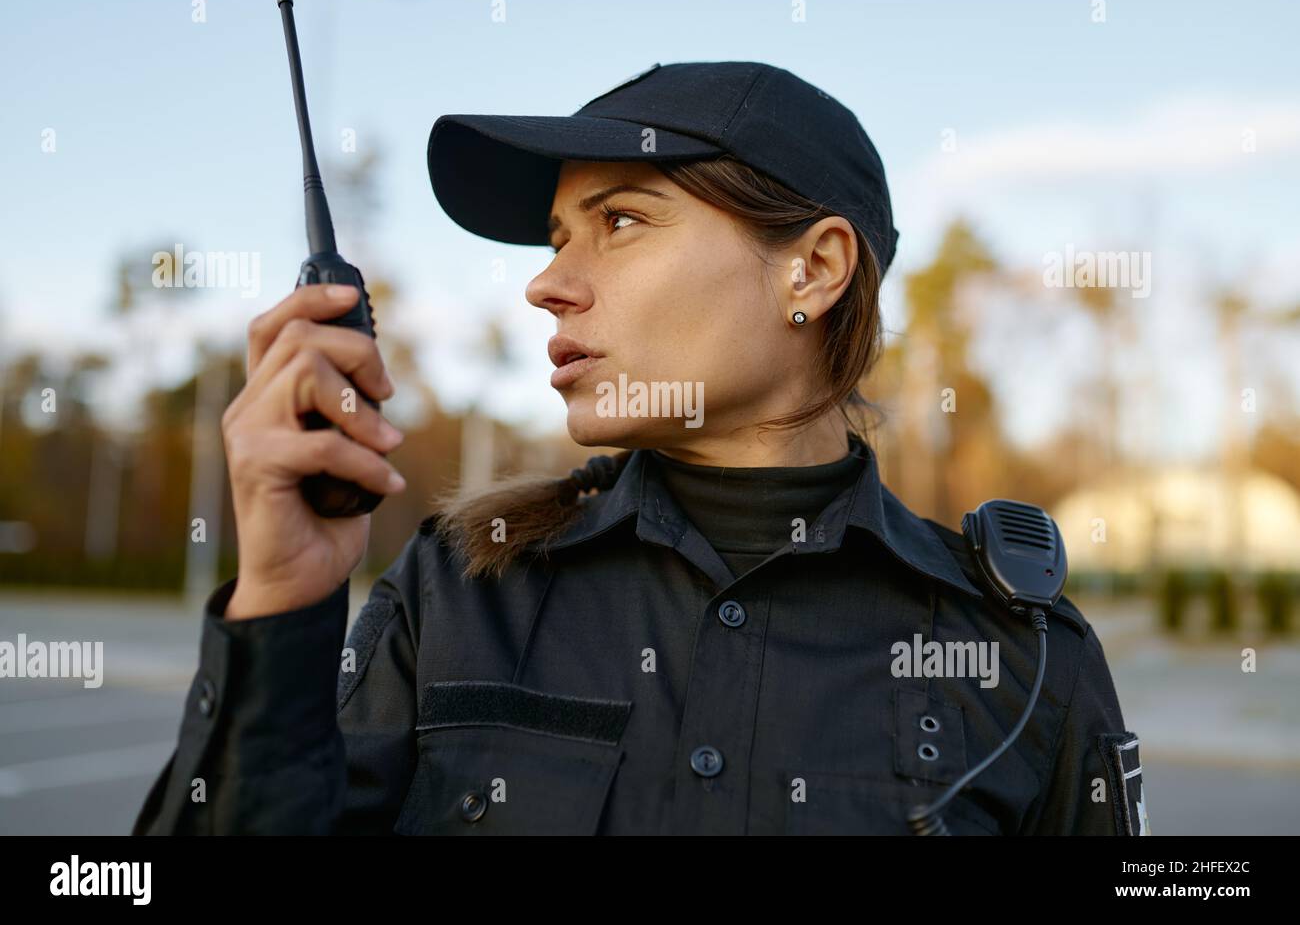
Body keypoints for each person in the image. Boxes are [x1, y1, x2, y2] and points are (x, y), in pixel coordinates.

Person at [133, 61, 1147, 836]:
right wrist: (279, 599)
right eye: (556, 236)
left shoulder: (1023, 656)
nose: (547, 283)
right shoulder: (459, 588)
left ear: (815, 269)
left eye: (618, 220)